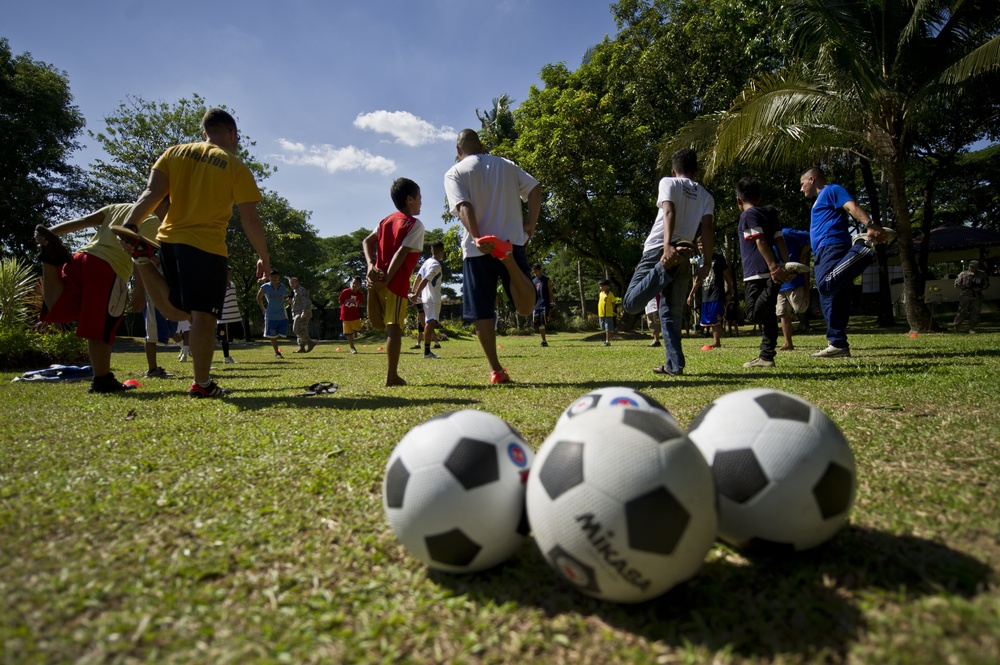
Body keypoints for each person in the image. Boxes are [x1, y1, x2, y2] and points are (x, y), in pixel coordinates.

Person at [116, 108, 271, 398]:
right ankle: (201, 383)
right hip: (206, 245)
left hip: (170, 240)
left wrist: (130, 224)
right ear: (232, 134)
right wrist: (264, 256)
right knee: (204, 318)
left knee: (175, 309)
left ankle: (142, 258)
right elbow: (250, 219)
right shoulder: (235, 165)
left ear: (204, 133)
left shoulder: (174, 152)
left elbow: (151, 193)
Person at [444, 129, 541, 385]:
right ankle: (507, 260)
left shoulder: (455, 172)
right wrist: (531, 224)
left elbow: (464, 206)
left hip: (478, 250)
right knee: (525, 308)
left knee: (483, 313)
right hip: (511, 242)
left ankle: (497, 370)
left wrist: (477, 237)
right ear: (481, 145)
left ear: (458, 150)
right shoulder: (506, 164)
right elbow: (534, 188)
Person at [34, 201, 163, 393]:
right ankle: (102, 380)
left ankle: (50, 258)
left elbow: (84, 221)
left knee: (62, 308)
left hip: (80, 258)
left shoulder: (117, 207)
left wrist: (49, 232)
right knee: (103, 325)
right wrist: (139, 289)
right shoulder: (151, 219)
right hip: (107, 268)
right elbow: (139, 255)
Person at [622, 148, 715, 377]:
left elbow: (669, 211)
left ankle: (662, 269)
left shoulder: (668, 183)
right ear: (696, 171)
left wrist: (666, 249)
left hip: (659, 249)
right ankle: (674, 366)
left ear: (674, 171)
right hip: (684, 251)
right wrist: (707, 262)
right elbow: (708, 229)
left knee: (631, 303)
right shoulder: (706, 195)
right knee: (671, 313)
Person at [799, 167, 892, 358]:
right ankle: (838, 344)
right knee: (833, 298)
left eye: (802, 184)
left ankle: (861, 249)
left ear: (812, 179)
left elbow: (851, 207)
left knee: (825, 285)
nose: (801, 189)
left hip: (832, 246)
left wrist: (870, 225)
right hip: (822, 251)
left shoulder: (831, 190)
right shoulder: (817, 202)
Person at [363, 177, 425, 386]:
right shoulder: (414, 224)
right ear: (409, 199)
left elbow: (366, 241)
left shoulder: (384, 221)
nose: (421, 202)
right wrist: (388, 279)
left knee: (380, 324)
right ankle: (392, 376)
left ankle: (370, 288)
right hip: (394, 282)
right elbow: (401, 252)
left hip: (378, 278)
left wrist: (371, 265)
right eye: (419, 198)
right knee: (394, 329)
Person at [734, 177, 799, 368]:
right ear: (760, 197)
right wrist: (787, 265)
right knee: (769, 316)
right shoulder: (769, 214)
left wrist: (773, 269)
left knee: (753, 315)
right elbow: (780, 241)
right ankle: (766, 356)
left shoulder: (747, 215)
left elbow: (759, 241)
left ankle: (773, 284)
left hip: (757, 271)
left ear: (739, 200)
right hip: (772, 269)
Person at [687, 237, 735, 350]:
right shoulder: (700, 261)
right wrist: (691, 294)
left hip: (717, 293)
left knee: (716, 317)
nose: (700, 247)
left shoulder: (718, 258)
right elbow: (698, 280)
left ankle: (716, 342)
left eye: (702, 244)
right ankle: (715, 340)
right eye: (698, 245)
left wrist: (731, 289)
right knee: (709, 319)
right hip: (706, 294)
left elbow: (726, 274)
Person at [776, 227, 812, 350]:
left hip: (795, 279)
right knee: (782, 313)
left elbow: (811, 237)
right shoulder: (767, 237)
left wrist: (803, 253)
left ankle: (807, 285)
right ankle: (788, 343)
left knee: (800, 308)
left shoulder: (786, 232)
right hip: (779, 281)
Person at [409, 241, 445, 359]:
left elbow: (418, 278)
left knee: (429, 323)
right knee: (429, 323)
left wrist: (415, 294)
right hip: (432, 298)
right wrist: (415, 295)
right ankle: (427, 351)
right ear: (441, 251)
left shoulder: (426, 262)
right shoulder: (436, 265)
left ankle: (427, 350)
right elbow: (424, 280)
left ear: (432, 250)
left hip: (426, 298)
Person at [257, 270, 289, 358]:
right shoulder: (265, 287)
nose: (274, 278)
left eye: (276, 276)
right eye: (272, 277)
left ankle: (278, 350)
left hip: (282, 315)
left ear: (278, 277)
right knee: (273, 335)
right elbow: (258, 297)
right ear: (269, 278)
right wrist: (263, 309)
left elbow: (287, 298)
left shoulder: (282, 287)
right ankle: (277, 353)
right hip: (271, 315)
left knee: (282, 334)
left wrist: (289, 303)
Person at [953, 260, 990, 333]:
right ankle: (957, 326)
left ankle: (972, 328)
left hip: (977, 296)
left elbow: (986, 284)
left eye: (974, 267)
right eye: (972, 267)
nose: (973, 269)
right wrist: (965, 286)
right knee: (962, 311)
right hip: (965, 295)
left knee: (975, 312)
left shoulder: (981, 274)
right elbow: (956, 284)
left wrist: (981, 288)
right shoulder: (963, 274)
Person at [217, 267, 244, 364]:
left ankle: (227, 357)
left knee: (240, 335)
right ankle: (226, 357)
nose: (230, 275)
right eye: (228, 273)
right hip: (225, 317)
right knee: (225, 339)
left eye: (230, 273)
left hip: (236, 315)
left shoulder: (232, 284)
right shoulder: (218, 285)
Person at [288, 276, 315, 353]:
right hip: (297, 313)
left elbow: (305, 301)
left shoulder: (301, 290)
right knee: (302, 329)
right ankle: (302, 347)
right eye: (290, 283)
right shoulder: (295, 291)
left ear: (297, 282)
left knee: (297, 329)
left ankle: (310, 342)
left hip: (302, 313)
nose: (291, 284)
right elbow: (297, 303)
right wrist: (290, 303)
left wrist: (304, 312)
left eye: (293, 282)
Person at [532, 263, 555, 347]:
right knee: (536, 324)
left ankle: (544, 341)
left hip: (544, 304)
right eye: (534, 271)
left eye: (536, 271)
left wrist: (553, 301)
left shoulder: (546, 280)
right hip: (536, 305)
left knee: (542, 323)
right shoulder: (533, 281)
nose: (535, 273)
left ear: (540, 270)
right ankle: (543, 339)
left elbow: (550, 291)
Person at [339, 277, 364, 354]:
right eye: (353, 283)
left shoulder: (360, 295)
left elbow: (359, 304)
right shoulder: (345, 292)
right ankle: (352, 347)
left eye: (357, 283)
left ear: (360, 285)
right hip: (346, 316)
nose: (354, 285)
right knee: (349, 333)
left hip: (355, 316)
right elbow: (340, 301)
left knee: (357, 329)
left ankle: (354, 335)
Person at [597, 279, 617, 346]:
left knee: (607, 327)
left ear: (607, 286)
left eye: (602, 286)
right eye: (600, 286)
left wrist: (612, 310)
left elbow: (613, 303)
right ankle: (607, 339)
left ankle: (607, 341)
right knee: (602, 326)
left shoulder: (610, 294)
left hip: (608, 314)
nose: (600, 287)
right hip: (601, 314)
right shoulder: (600, 294)